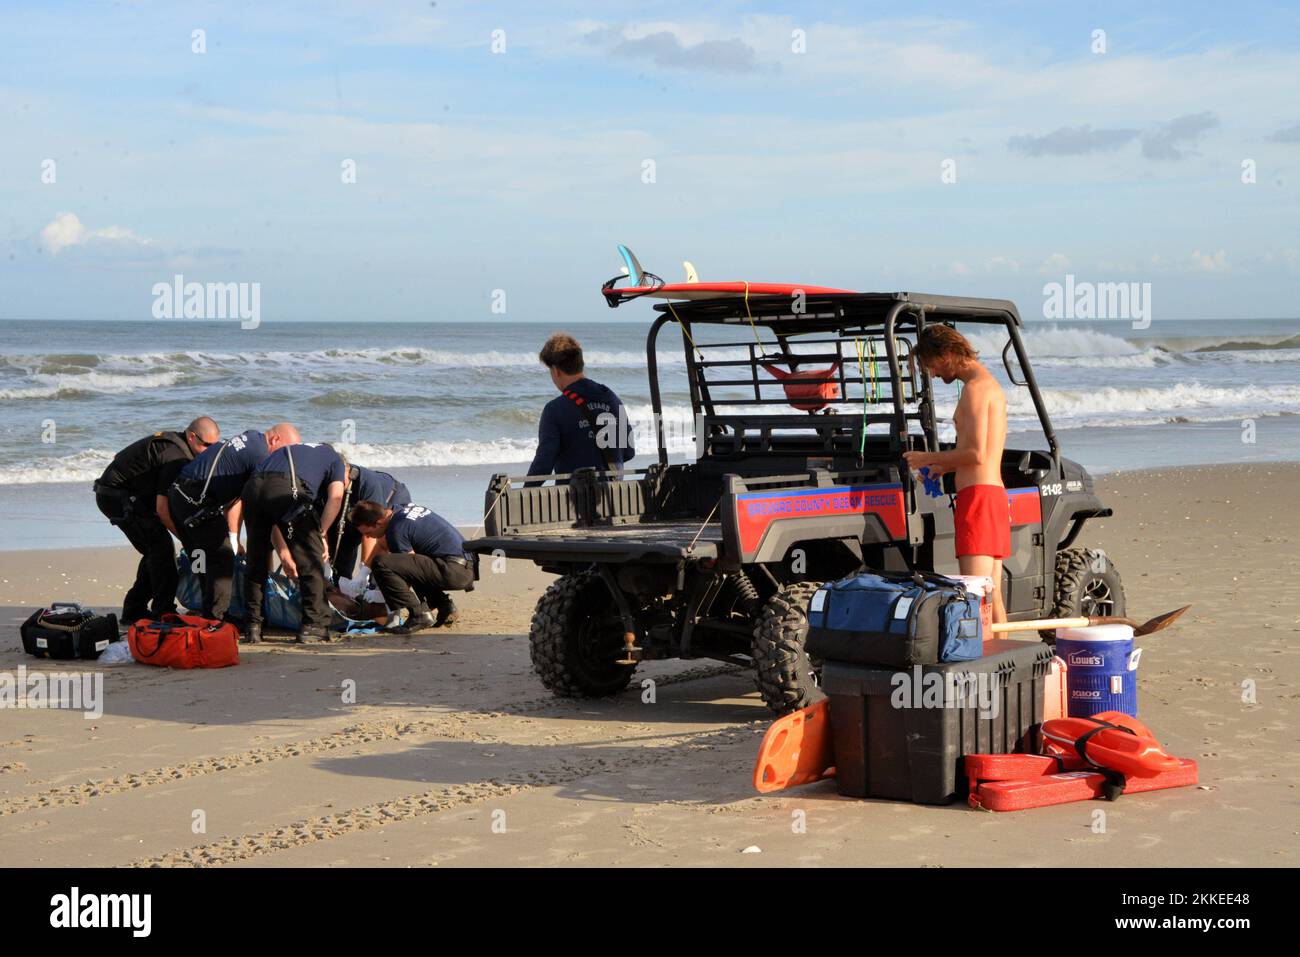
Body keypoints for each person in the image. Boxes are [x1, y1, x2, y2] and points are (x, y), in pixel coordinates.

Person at [903, 325, 1010, 623]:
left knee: (974, 598)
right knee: (993, 596)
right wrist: (942, 467)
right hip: (991, 496)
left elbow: (977, 453)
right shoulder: (989, 386)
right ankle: (1003, 667)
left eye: (932, 365)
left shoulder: (975, 390)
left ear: (947, 353)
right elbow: (982, 456)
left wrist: (928, 456)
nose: (934, 374)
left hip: (978, 500)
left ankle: (985, 665)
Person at [166, 423, 300, 622]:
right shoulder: (261, 457)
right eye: (286, 451)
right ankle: (217, 618)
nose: (286, 459)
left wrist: (235, 538)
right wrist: (283, 551)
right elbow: (266, 510)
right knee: (222, 558)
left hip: (181, 496)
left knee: (201, 556)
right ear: (275, 440)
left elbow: (236, 499)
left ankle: (205, 608)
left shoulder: (252, 438)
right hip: (195, 503)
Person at [93, 418, 219, 623]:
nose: (209, 451)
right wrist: (186, 539)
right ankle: (164, 611)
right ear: (191, 436)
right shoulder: (175, 458)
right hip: (116, 498)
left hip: (133, 495)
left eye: (214, 446)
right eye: (206, 445)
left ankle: (134, 610)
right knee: (161, 549)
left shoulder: (180, 447)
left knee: (155, 550)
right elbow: (162, 510)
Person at [240, 442, 347, 644]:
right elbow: (336, 497)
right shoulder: (334, 458)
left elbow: (274, 515)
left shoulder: (291, 450)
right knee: (310, 561)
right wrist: (321, 533)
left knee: (256, 561)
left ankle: (253, 627)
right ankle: (313, 626)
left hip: (253, 488)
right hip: (288, 489)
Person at [349, 500, 475, 634]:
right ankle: (444, 606)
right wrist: (364, 572)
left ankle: (419, 615)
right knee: (414, 564)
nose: (368, 537)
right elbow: (386, 546)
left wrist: (380, 595)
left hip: (454, 571)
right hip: (465, 565)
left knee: (381, 563)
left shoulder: (396, 531)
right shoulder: (400, 510)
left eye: (368, 533)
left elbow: (406, 573)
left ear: (379, 523)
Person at [526, 332, 635, 482]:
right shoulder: (611, 398)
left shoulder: (554, 409)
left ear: (555, 370)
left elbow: (543, 465)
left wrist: (520, 496)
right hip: (613, 497)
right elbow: (628, 452)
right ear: (580, 364)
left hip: (572, 500)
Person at [325, 464, 411, 583]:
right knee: (344, 541)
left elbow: (370, 533)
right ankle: (342, 586)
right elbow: (323, 527)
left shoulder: (368, 483)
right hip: (356, 505)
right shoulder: (325, 480)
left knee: (385, 544)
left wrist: (364, 572)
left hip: (392, 497)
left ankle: (375, 585)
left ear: (347, 471)